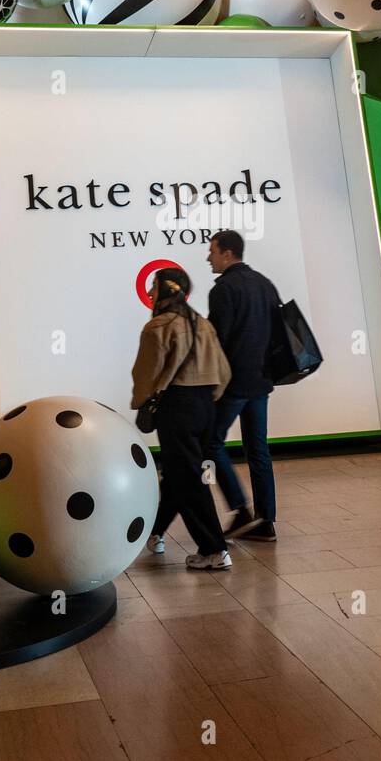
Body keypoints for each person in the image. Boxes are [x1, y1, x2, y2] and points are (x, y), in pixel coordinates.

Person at [130, 267, 233, 571]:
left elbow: (145, 374)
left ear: (164, 290)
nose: (150, 293)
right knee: (181, 474)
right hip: (206, 407)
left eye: (153, 286)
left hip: (177, 408)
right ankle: (156, 532)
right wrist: (207, 399)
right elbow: (224, 371)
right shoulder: (202, 323)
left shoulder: (158, 327)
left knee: (188, 479)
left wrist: (142, 403)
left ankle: (214, 549)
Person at [206, 229, 281, 543]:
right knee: (258, 449)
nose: (208, 257)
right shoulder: (264, 284)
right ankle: (266, 521)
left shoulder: (223, 290)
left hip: (234, 383)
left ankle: (240, 509)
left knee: (209, 441)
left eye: (212, 251)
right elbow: (278, 331)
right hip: (261, 381)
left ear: (227, 253)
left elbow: (215, 341)